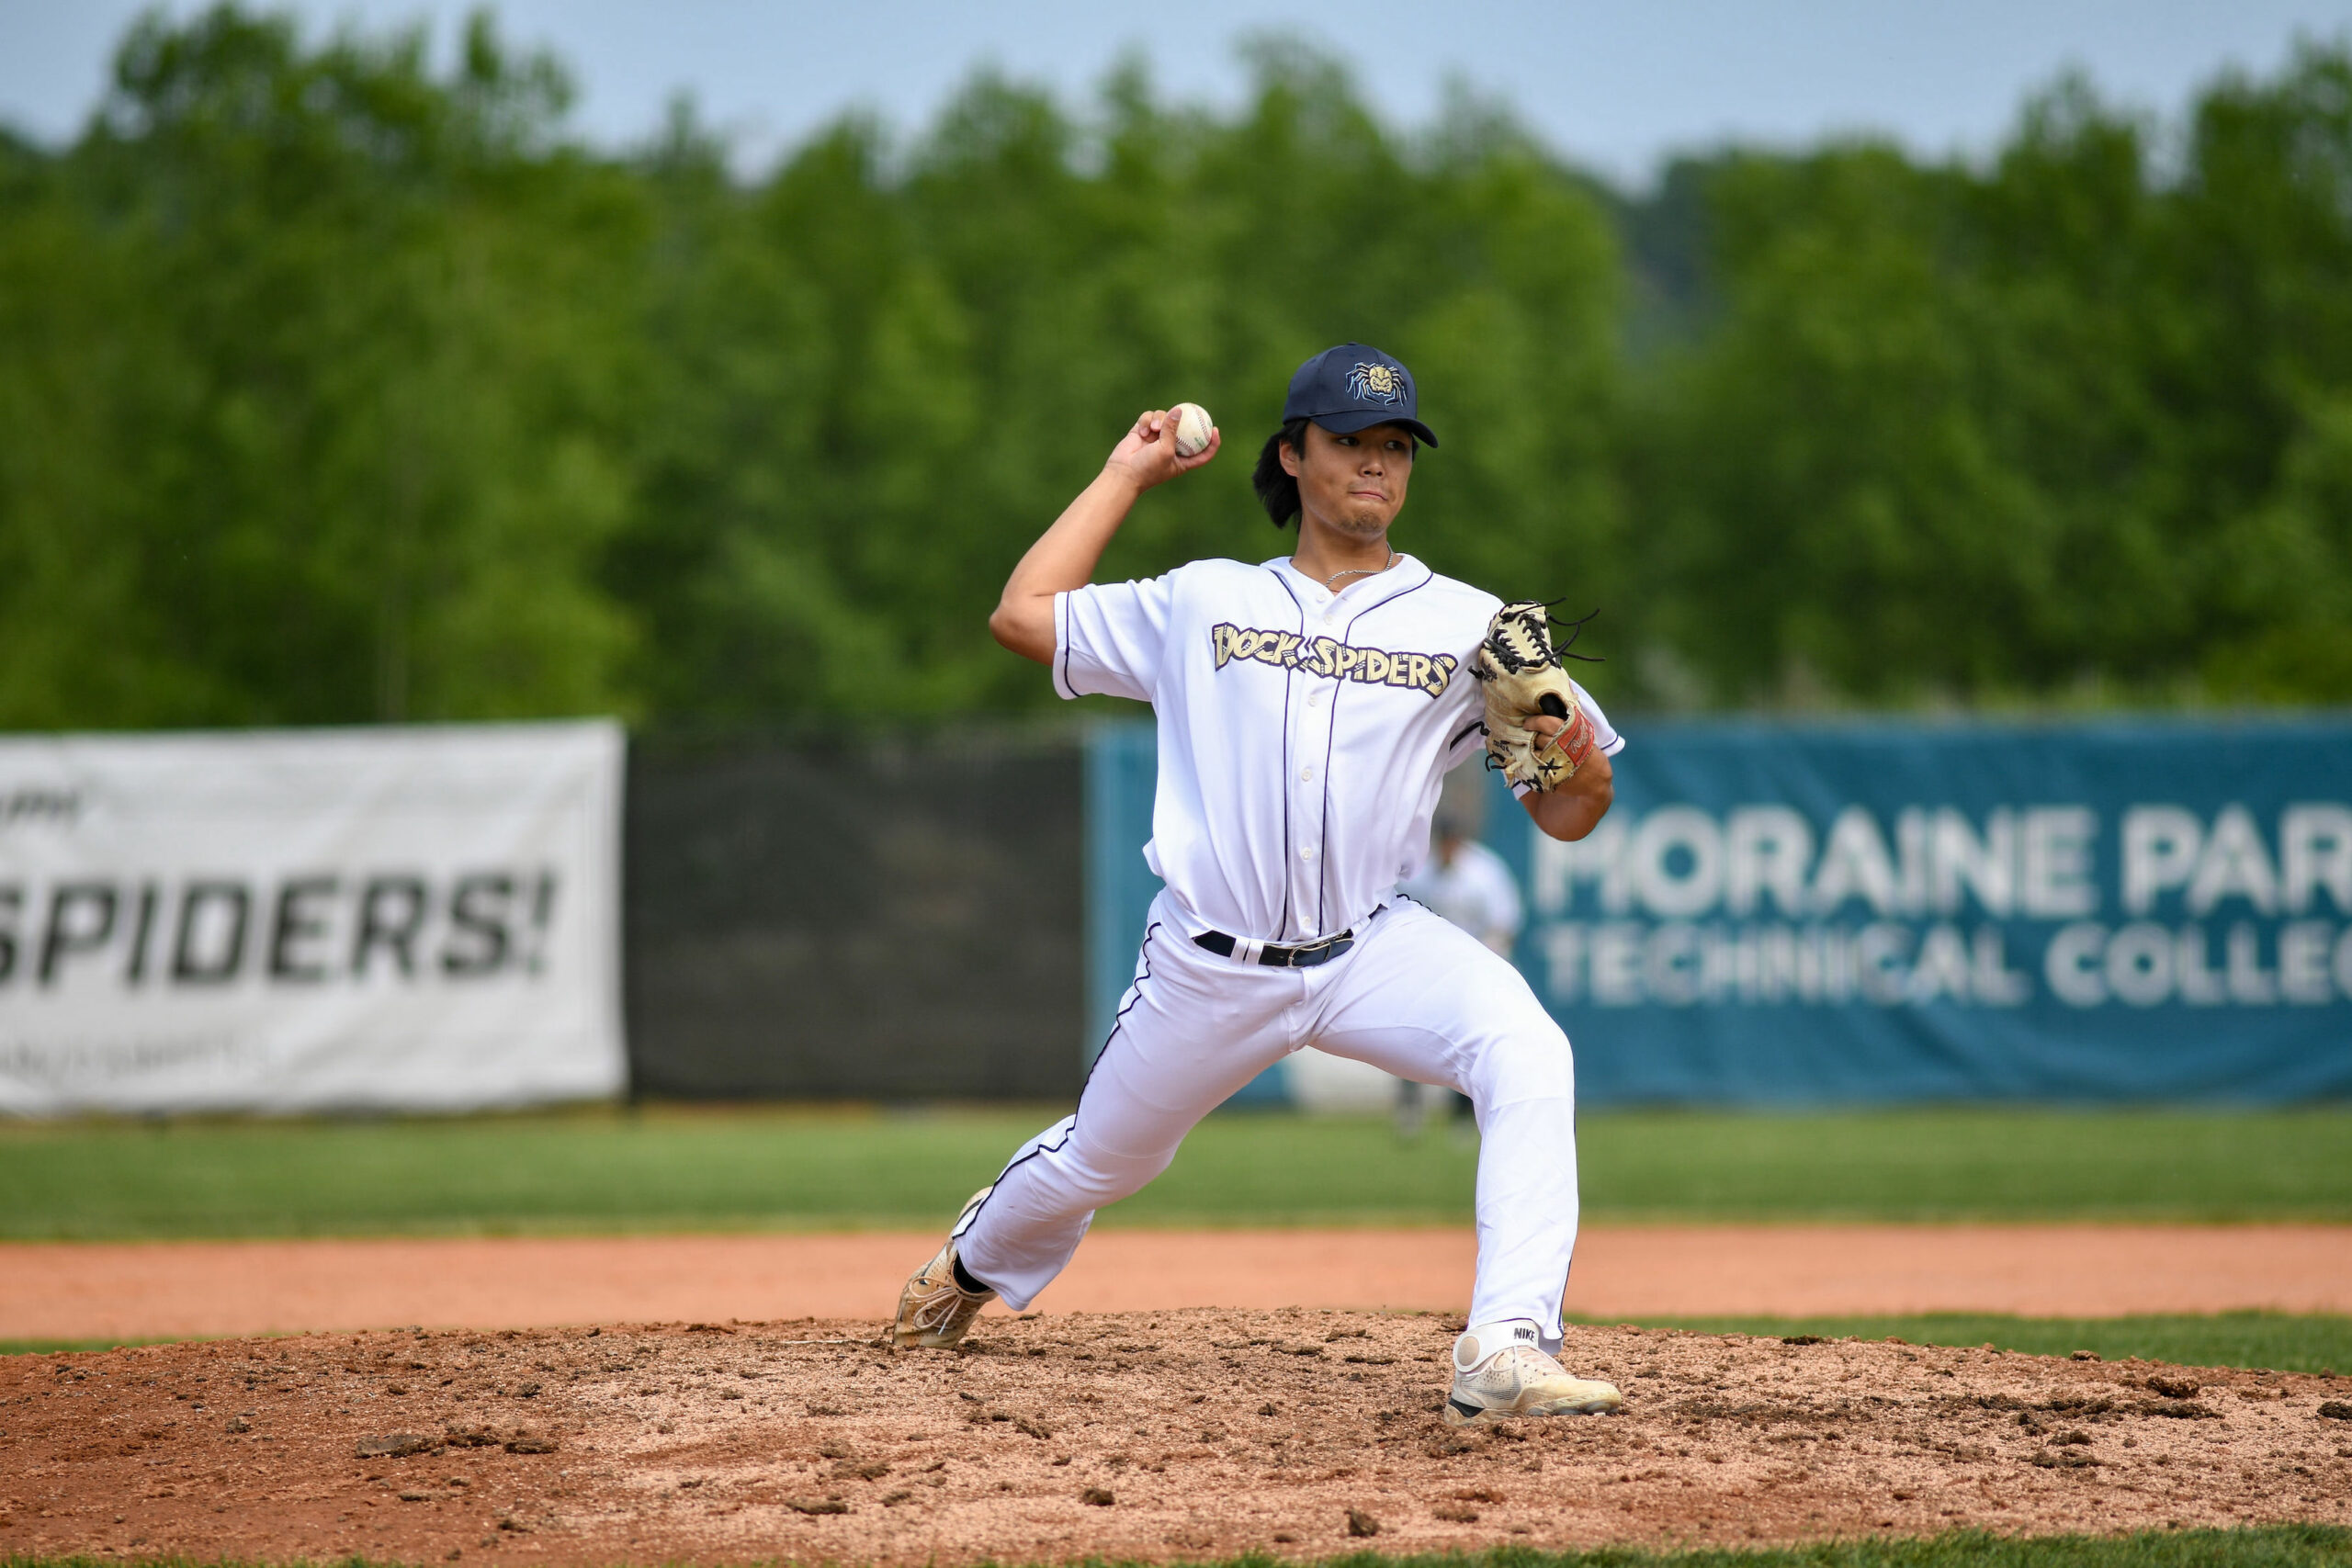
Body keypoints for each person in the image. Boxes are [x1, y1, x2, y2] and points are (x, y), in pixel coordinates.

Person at [889, 344, 1626, 1425]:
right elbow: (1021, 615)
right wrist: (1124, 478)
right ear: (1293, 456)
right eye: (1348, 442)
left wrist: (1564, 746)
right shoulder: (1201, 602)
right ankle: (966, 1268)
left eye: (1394, 446)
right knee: (1101, 1160)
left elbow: (1571, 815)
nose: (1374, 465)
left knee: (1526, 1049)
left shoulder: (1471, 625)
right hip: (1207, 960)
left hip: (1368, 948)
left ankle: (1507, 1341)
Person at [1394, 784, 1523, 1138]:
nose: (1448, 847)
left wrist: (1486, 960)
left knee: (1468, 1041)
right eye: (1444, 840)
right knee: (1408, 1035)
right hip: (1427, 968)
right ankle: (1410, 1109)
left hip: (1474, 967)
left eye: (1453, 840)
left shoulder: (1485, 871)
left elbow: (1505, 922)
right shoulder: (1420, 872)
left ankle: (1463, 1115)